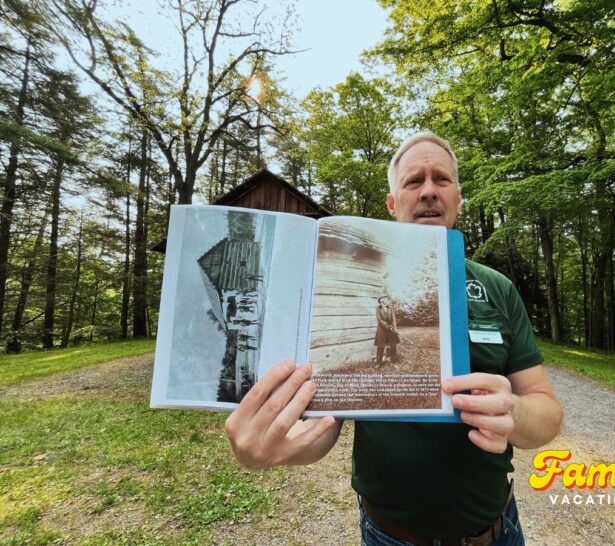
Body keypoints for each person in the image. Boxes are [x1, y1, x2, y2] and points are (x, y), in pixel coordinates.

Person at [225, 131, 563, 545]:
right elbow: (326, 426)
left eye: (441, 179)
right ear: (393, 203)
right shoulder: (365, 289)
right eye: (412, 182)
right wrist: (280, 447)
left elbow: (546, 413)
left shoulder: (497, 287)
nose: (428, 192)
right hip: (388, 536)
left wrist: (513, 409)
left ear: (458, 198)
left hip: (495, 532)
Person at [374, 296, 399, 366]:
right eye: (382, 300)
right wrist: (388, 326)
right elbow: (379, 320)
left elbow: (393, 319)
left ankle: (393, 361)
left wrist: (395, 328)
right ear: (380, 301)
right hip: (382, 329)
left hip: (391, 329)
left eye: (385, 300)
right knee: (381, 345)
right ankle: (379, 363)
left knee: (393, 345)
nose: (384, 301)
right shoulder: (378, 308)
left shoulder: (390, 308)